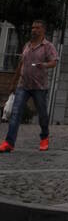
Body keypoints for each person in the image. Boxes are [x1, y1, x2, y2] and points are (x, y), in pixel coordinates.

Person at [0, 20, 58, 153]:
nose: (33, 30)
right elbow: (21, 64)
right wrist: (13, 83)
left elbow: (54, 62)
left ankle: (44, 138)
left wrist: (44, 65)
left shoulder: (48, 46)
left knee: (42, 114)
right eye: (32, 28)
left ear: (43, 30)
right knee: (15, 113)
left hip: (39, 87)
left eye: (37, 28)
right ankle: (9, 143)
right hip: (23, 85)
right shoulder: (27, 45)